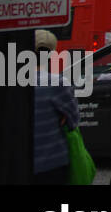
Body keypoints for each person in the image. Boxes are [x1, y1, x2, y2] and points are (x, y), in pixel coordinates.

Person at [32, 29, 79, 185]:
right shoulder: (58, 83)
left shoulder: (12, 83)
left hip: (18, 161)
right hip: (52, 161)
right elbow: (73, 120)